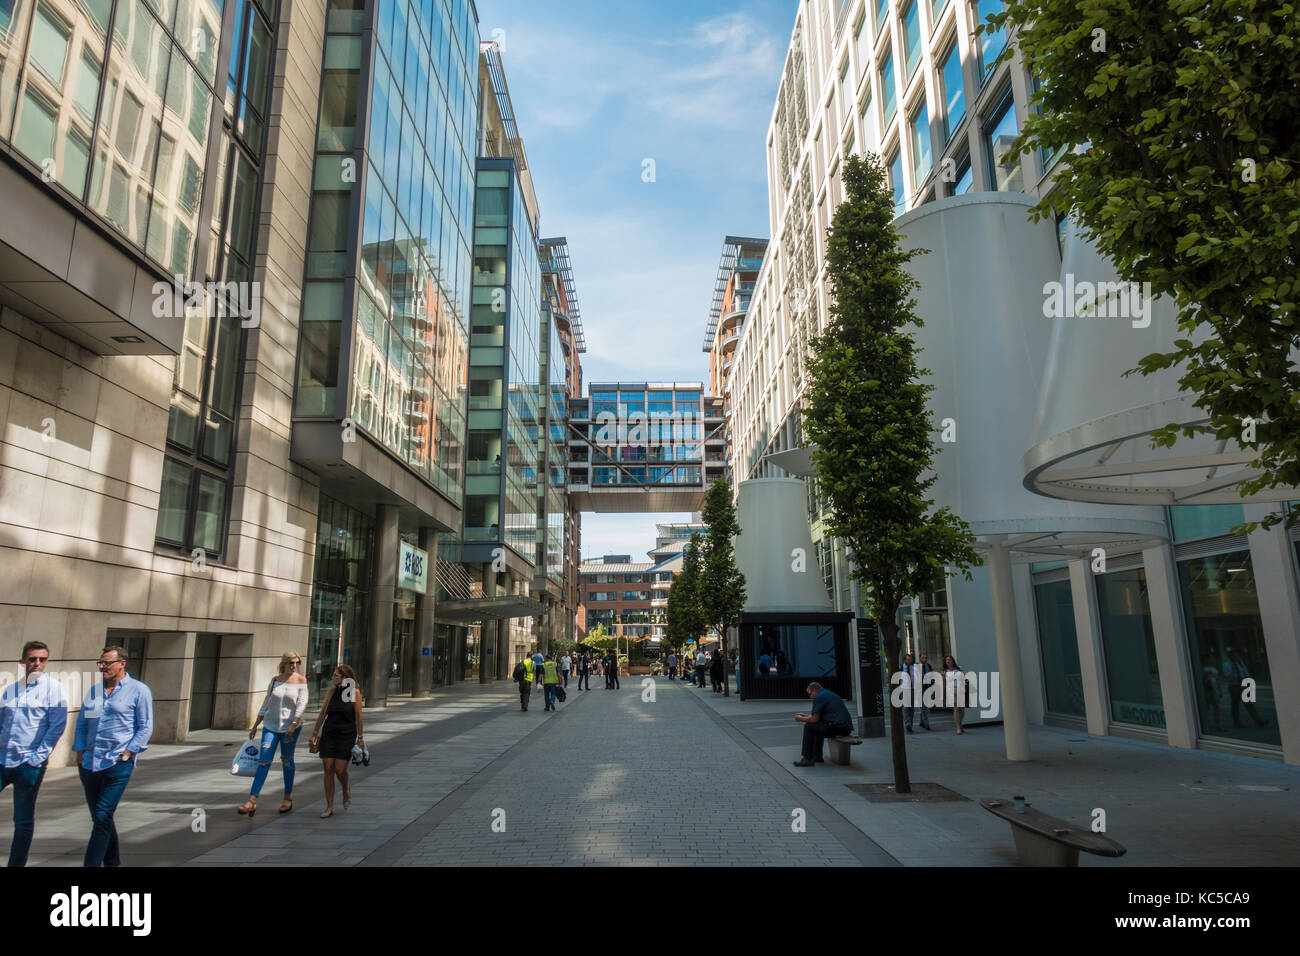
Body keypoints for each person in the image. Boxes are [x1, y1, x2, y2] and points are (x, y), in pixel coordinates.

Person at [73, 645, 153, 867]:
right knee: (101, 818)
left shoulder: (139, 690)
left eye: (107, 663)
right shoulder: (94, 692)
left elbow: (145, 727)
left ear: (122, 663)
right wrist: (79, 752)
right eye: (100, 663)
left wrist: (129, 752)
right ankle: (113, 861)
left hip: (117, 763)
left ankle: (91, 864)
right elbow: (82, 723)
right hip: (89, 763)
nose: (102, 667)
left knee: (102, 816)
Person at [0, 641, 68, 867]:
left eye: (42, 659)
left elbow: (56, 727)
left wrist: (35, 760)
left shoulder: (55, 689)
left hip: (28, 765)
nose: (37, 663)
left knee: (23, 820)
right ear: (23, 661)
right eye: (32, 659)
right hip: (2, 760)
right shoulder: (11, 689)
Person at [238, 651, 308, 817]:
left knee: (287, 760)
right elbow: (266, 702)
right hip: (270, 725)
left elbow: (301, 704)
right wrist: (256, 725)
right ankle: (252, 800)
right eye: (291, 663)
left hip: (290, 727)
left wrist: (294, 723)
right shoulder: (275, 681)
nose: (294, 666)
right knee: (264, 761)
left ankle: (287, 797)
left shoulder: (301, 680)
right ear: (284, 663)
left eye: (297, 663)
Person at [309, 664, 364, 818]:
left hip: (346, 735)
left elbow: (359, 717)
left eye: (335, 675)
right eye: (333, 675)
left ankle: (346, 788)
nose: (332, 678)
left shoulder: (354, 693)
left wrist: (360, 738)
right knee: (328, 768)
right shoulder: (332, 692)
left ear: (345, 678)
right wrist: (315, 732)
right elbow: (323, 713)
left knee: (339, 769)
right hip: (329, 734)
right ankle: (329, 806)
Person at [792, 682, 853, 767]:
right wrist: (805, 716)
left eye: (810, 694)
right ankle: (817, 756)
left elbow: (814, 719)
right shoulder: (826, 694)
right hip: (844, 727)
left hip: (839, 727)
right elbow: (818, 717)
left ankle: (807, 759)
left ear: (814, 690)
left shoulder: (819, 697)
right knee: (817, 726)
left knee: (809, 727)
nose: (810, 697)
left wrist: (800, 719)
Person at [1222, 650, 1270, 728]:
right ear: (1231, 657)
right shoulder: (1226, 665)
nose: (1237, 657)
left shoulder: (1240, 663)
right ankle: (1237, 723)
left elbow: (1245, 672)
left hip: (1244, 685)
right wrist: (1233, 667)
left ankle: (1258, 721)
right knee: (1235, 705)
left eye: (1237, 655)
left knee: (1249, 704)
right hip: (1234, 686)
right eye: (1234, 656)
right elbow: (1227, 676)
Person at [901, 653, 931, 732]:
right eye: (908, 660)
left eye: (910, 660)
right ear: (904, 660)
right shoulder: (900, 668)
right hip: (905, 689)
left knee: (912, 708)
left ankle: (910, 724)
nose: (910, 661)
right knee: (906, 708)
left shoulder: (914, 668)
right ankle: (907, 724)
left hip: (913, 689)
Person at [942, 655, 967, 734]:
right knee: (956, 709)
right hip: (951, 691)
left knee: (962, 710)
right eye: (946, 660)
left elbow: (964, 679)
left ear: (953, 661)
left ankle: (960, 724)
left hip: (960, 690)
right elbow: (944, 683)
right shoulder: (944, 672)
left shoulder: (959, 669)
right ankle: (958, 728)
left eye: (949, 660)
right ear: (945, 662)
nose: (948, 661)